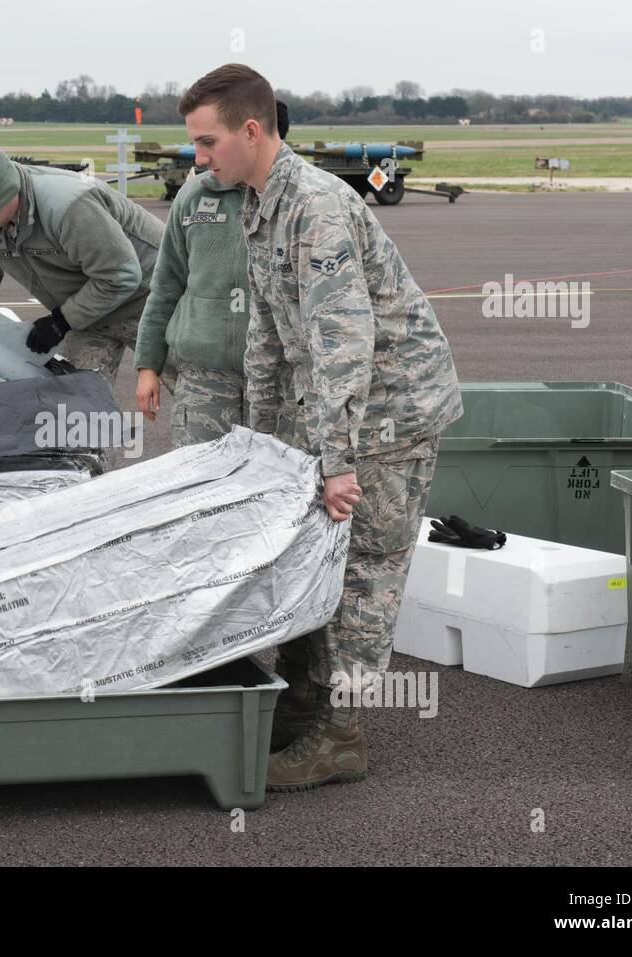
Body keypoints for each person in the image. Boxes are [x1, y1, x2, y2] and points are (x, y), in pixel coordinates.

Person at [179, 64, 463, 791]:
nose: (198, 158)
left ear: (251, 130)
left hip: (389, 414)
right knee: (312, 550)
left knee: (365, 568)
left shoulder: (315, 206)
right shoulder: (258, 203)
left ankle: (342, 734)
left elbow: (342, 344)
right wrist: (261, 445)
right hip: (339, 409)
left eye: (207, 142)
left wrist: (337, 462)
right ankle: (305, 701)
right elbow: (269, 336)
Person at [135, 101, 305, 448]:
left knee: (278, 490)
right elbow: (166, 285)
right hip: (204, 380)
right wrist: (147, 366)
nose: (202, 157)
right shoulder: (193, 197)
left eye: (211, 143)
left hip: (282, 381)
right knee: (199, 488)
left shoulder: (304, 202)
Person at [0, 145, 163, 385]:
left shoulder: (67, 205)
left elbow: (119, 275)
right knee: (76, 404)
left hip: (150, 302)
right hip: (90, 314)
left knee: (198, 397)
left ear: (13, 191)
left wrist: (61, 322)